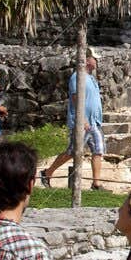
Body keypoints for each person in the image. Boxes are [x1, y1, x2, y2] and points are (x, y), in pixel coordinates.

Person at [42, 53, 104, 191]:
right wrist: (83, 119)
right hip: (81, 122)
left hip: (95, 122)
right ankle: (47, 173)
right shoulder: (77, 76)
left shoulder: (92, 78)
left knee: (98, 151)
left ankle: (96, 184)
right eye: (95, 59)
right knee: (72, 151)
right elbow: (76, 99)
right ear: (88, 60)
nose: (97, 62)